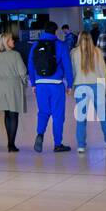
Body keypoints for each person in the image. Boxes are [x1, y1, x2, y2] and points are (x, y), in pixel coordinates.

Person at [28, 25, 74, 154]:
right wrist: (69, 84)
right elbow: (67, 66)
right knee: (58, 115)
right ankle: (57, 144)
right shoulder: (60, 45)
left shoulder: (35, 45)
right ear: (55, 31)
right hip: (56, 84)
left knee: (43, 111)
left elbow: (30, 65)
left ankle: (40, 134)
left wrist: (33, 83)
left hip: (40, 84)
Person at [72, 32, 106, 153]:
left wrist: (70, 86)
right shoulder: (97, 52)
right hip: (97, 85)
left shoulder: (74, 53)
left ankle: (81, 145)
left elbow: (73, 72)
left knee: (81, 117)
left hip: (80, 85)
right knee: (102, 115)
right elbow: (103, 71)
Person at [0, 32, 28, 152]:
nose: (13, 41)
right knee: (14, 114)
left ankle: (9, 142)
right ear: (6, 42)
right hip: (13, 86)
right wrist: (24, 83)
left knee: (7, 114)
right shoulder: (15, 55)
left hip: (0, 86)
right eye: (11, 40)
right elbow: (23, 72)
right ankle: (11, 144)